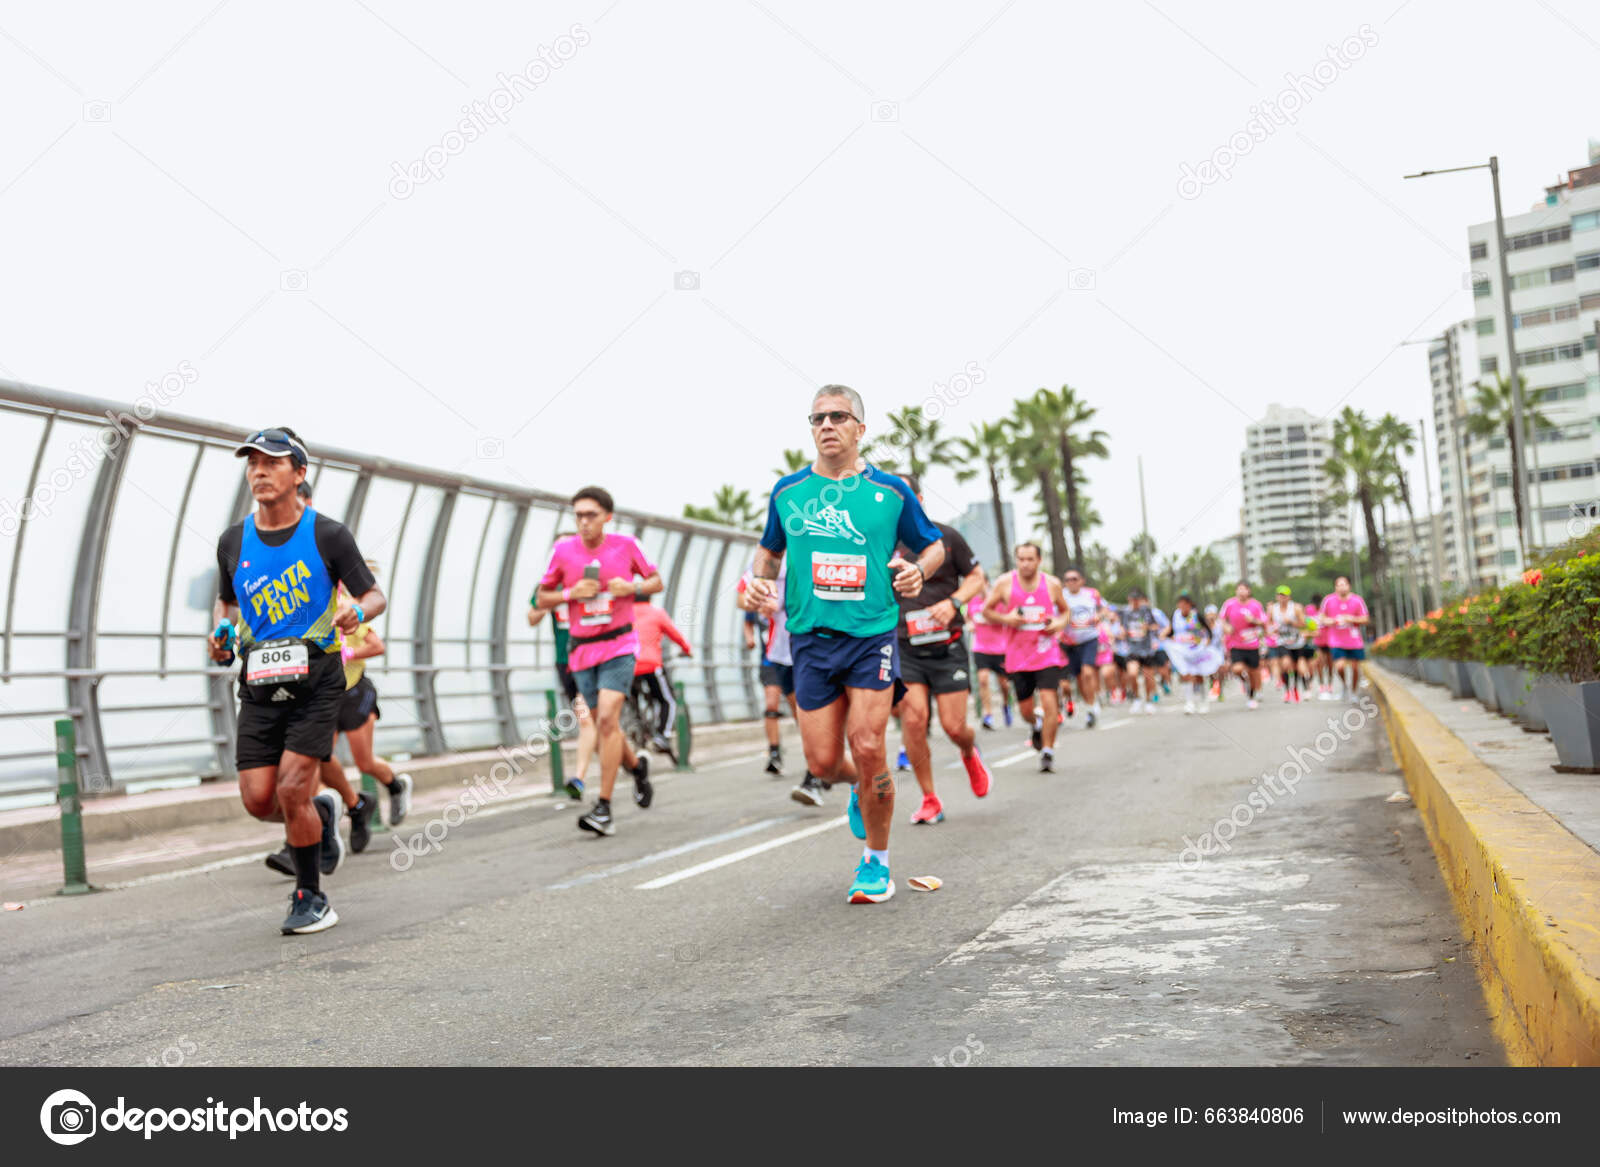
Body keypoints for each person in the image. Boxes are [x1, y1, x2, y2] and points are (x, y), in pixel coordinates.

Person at [746, 385, 944, 904]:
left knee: (870, 744)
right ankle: (862, 785)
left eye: (838, 416)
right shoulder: (788, 493)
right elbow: (767, 552)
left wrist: (918, 572)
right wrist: (760, 581)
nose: (826, 425)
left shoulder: (892, 492)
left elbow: (934, 546)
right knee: (824, 764)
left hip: (871, 635)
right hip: (808, 639)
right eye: (817, 418)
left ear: (860, 428)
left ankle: (876, 863)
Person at [210, 426, 385, 935]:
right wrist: (220, 638)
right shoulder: (232, 541)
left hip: (318, 681)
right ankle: (322, 813)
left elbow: (375, 595)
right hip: (260, 684)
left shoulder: (327, 534)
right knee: (258, 799)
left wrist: (356, 611)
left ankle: (311, 897)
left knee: (290, 786)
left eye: (273, 463)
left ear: (299, 473)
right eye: (253, 464)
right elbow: (228, 609)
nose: (260, 472)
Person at [535, 487, 662, 838]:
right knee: (606, 726)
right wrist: (569, 594)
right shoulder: (562, 551)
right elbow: (542, 596)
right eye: (578, 515)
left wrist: (631, 589)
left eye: (590, 514)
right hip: (581, 651)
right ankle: (636, 769)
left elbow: (656, 580)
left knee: (607, 719)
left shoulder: (626, 545)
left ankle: (603, 807)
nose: (583, 521)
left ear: (607, 516)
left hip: (619, 644)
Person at [890, 475, 991, 826]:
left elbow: (978, 577)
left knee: (954, 727)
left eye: (902, 495)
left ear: (918, 497)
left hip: (947, 647)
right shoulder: (883, 542)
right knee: (914, 721)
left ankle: (968, 750)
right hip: (905, 647)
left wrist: (954, 602)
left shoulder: (946, 536)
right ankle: (929, 797)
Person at [984, 543, 1068, 771]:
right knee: (1025, 710)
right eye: (1021, 559)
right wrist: (1007, 619)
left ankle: (1048, 752)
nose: (1025, 564)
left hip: (1046, 653)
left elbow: (1065, 611)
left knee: (1050, 702)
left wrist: (1058, 623)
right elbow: (986, 610)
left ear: (1039, 561)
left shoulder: (1052, 584)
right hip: (1018, 656)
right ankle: (1036, 724)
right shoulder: (1004, 583)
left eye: (1030, 559)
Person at [528, 594, 593, 800]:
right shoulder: (549, 587)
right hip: (565, 660)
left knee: (586, 719)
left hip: (591, 658)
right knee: (595, 723)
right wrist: (550, 603)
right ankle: (632, 764)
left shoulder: (590, 578)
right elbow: (532, 617)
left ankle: (579, 778)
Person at [631, 593, 693, 751]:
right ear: (649, 597)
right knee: (668, 700)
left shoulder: (626, 614)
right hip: (650, 664)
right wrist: (687, 649)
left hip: (627, 666)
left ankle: (635, 724)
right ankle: (661, 735)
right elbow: (675, 634)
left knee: (632, 698)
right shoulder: (656, 613)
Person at [1058, 568, 1107, 728]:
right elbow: (1054, 614)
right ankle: (1089, 705)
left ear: (1081, 580)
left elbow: (1104, 609)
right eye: (1068, 579)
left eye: (1074, 579)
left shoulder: (1092, 594)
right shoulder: (1061, 595)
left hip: (1089, 639)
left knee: (1087, 673)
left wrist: (1099, 616)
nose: (1071, 582)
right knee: (1079, 678)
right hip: (1070, 643)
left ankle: (1093, 706)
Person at [1160, 592, 1224, 713]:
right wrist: (1165, 636)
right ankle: (1189, 702)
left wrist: (1206, 642)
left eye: (1184, 604)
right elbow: (1171, 631)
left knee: (1198, 675)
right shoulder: (1176, 616)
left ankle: (1203, 701)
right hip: (1182, 650)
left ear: (1189, 605)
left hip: (1197, 650)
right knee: (1185, 675)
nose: (1182, 607)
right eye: (1180, 605)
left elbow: (1208, 631)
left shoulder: (1196, 616)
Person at [967, 584, 1013, 731]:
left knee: (1004, 684)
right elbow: (967, 616)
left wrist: (993, 616)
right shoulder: (972, 602)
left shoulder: (998, 602)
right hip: (980, 647)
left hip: (1000, 649)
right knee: (983, 680)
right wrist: (969, 624)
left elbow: (1008, 619)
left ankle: (1006, 704)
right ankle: (988, 714)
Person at [1321, 574, 1370, 702]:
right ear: (1335, 587)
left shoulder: (1357, 600)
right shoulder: (1328, 600)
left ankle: (1353, 692)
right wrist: (1330, 621)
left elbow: (1365, 619)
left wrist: (1352, 618)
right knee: (1340, 667)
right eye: (1339, 585)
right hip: (1336, 640)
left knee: (1354, 667)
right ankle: (1345, 686)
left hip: (1354, 641)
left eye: (1344, 584)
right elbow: (1321, 618)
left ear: (1349, 586)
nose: (1342, 587)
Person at [1219, 581, 1268, 709]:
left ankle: (1252, 696)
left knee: (1254, 673)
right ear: (1236, 591)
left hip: (1252, 644)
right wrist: (1227, 627)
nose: (1241, 592)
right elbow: (1221, 619)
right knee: (1237, 669)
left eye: (1244, 589)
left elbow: (1264, 622)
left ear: (1248, 591)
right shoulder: (1229, 604)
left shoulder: (1256, 605)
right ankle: (1245, 680)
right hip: (1236, 644)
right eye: (1239, 589)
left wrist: (1253, 620)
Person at [1122, 590, 1165, 715]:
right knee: (1132, 674)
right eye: (1132, 600)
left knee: (1148, 677)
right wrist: (1122, 633)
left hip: (1146, 649)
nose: (1134, 603)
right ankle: (1136, 698)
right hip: (1132, 649)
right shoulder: (1126, 612)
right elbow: (1123, 628)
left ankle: (1149, 701)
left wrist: (1148, 627)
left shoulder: (1146, 611)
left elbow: (1155, 626)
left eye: (1136, 600)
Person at [1265, 585, 1307, 704]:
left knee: (1296, 667)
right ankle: (1287, 690)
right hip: (1282, 641)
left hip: (1296, 641)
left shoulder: (1296, 608)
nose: (1281, 598)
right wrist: (1273, 630)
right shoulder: (1273, 609)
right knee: (1285, 664)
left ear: (1289, 597)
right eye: (1279, 595)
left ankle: (1295, 689)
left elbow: (1303, 624)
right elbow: (1268, 625)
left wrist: (1292, 622)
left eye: (1284, 595)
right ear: (1277, 597)